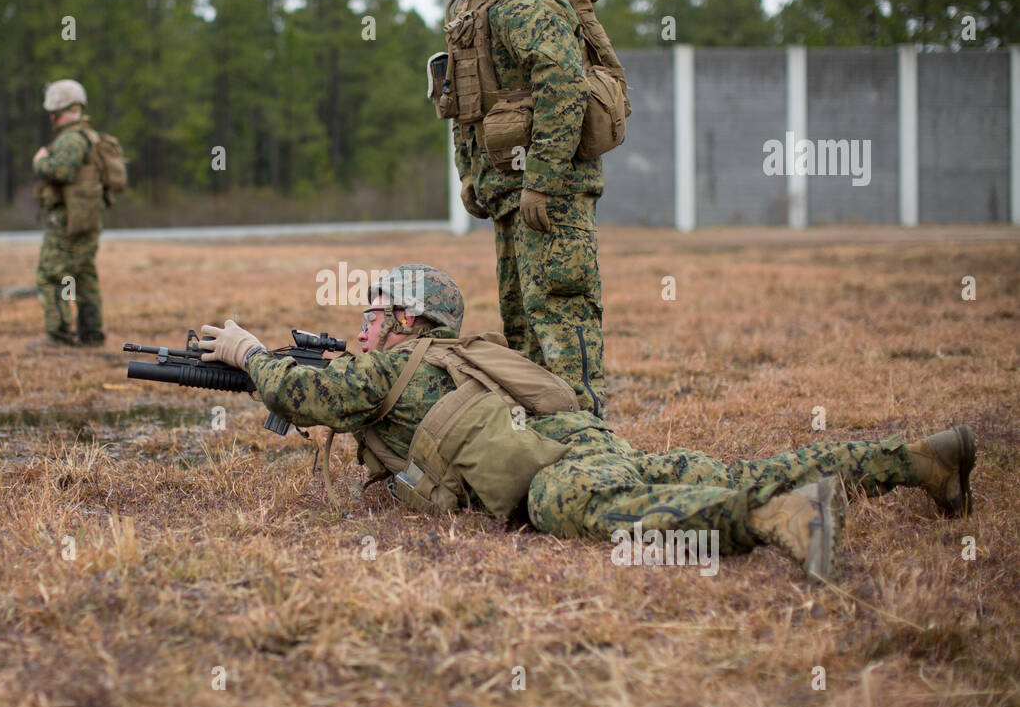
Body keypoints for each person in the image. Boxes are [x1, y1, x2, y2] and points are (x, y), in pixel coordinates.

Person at [195, 265, 976, 582]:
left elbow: (314, 399)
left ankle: (773, 516)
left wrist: (249, 353)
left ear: (404, 318)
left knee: (587, 513)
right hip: (588, 440)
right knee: (723, 467)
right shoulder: (447, 356)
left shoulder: (394, 363)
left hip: (558, 468)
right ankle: (916, 458)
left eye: (371, 311)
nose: (360, 325)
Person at [411, 0, 606, 415]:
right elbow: (462, 103)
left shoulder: (524, 3)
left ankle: (589, 441)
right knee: (521, 328)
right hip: (508, 195)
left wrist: (541, 181)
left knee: (561, 319)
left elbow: (563, 90)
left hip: (550, 195)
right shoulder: (468, 9)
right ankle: (545, 439)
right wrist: (470, 174)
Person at [32, 79, 106, 347]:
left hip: (67, 220)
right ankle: (92, 333)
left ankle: (59, 335)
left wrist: (41, 161)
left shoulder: (71, 139)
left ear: (56, 110)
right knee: (84, 275)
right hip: (84, 218)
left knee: (51, 274)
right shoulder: (88, 136)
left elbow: (62, 171)